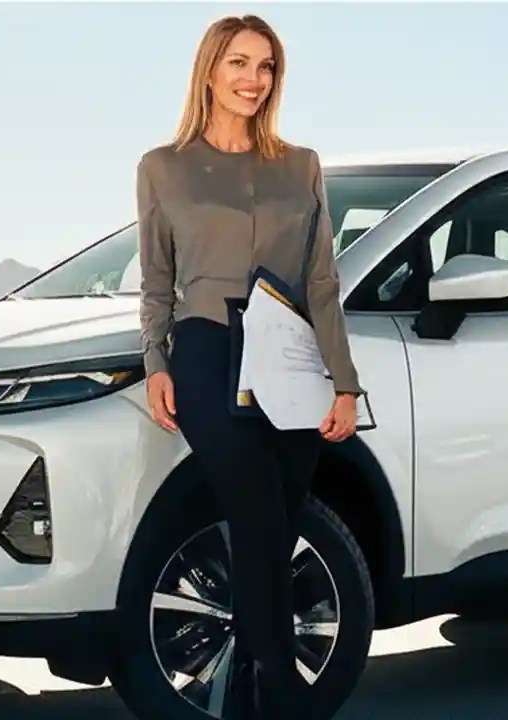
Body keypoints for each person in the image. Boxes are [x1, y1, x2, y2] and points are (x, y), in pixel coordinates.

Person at [134, 13, 364, 720]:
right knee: (256, 517)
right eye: (238, 63)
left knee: (279, 526)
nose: (252, 80)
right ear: (210, 69)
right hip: (205, 349)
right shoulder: (163, 167)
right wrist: (156, 362)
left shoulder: (301, 165)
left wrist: (344, 382)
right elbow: (155, 282)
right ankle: (284, 692)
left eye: (265, 67)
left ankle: (249, 696)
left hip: (290, 358)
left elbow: (322, 281)